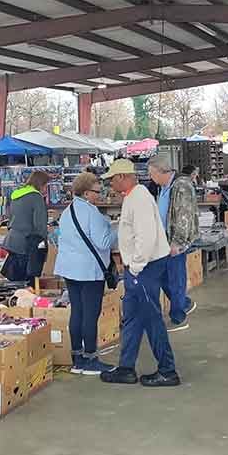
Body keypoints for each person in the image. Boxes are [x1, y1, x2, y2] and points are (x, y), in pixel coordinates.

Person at [99, 159, 180, 387]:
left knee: (151, 318)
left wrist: (135, 265)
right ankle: (126, 368)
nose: (110, 185)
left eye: (112, 179)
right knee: (133, 317)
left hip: (144, 268)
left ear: (123, 177)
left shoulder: (139, 197)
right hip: (141, 267)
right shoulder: (134, 197)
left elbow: (146, 236)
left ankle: (167, 370)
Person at [54, 172, 115, 376]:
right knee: (90, 315)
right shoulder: (92, 214)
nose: (100, 195)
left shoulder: (67, 212)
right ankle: (90, 359)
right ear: (87, 193)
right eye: (98, 191)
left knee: (77, 312)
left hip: (69, 270)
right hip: (89, 271)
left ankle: (77, 359)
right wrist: (115, 227)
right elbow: (104, 243)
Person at [148, 155, 199, 327]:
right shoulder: (164, 186)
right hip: (162, 241)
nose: (150, 177)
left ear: (161, 171)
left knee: (175, 278)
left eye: (152, 173)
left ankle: (178, 315)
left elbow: (184, 216)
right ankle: (183, 303)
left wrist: (177, 243)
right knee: (163, 277)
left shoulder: (181, 186)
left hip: (174, 242)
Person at [1, 170, 49, 282]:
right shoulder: (36, 197)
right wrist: (43, 243)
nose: (46, 189)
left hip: (12, 241)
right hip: (26, 244)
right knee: (27, 282)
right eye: (46, 185)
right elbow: (40, 225)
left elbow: (10, 217)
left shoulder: (17, 195)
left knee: (15, 280)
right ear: (40, 184)